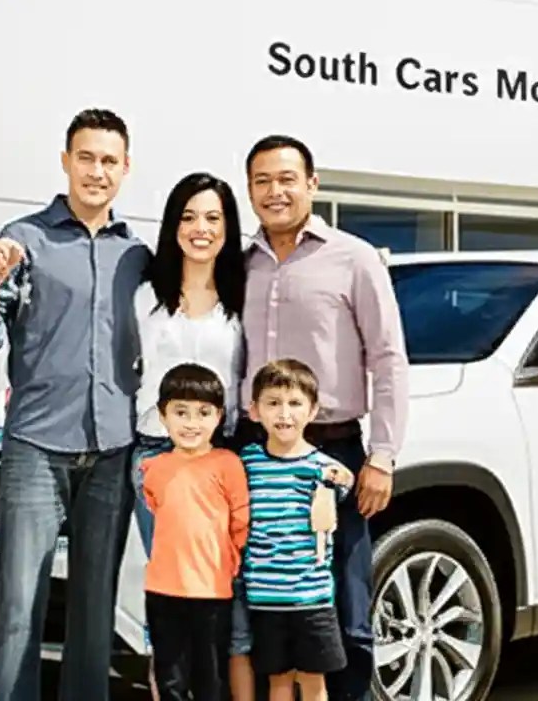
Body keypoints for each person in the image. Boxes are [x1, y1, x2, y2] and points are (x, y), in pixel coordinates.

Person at [0, 108, 150, 701]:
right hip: (36, 447)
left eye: (109, 160)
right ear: (65, 162)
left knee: (94, 611)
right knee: (18, 606)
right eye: (85, 157)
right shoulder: (23, 238)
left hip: (113, 450)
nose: (97, 171)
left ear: (126, 168)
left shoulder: (137, 254)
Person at [239, 134, 410, 701]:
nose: (275, 191)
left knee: (344, 604)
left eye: (287, 178)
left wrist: (382, 456)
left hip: (333, 452)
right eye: (262, 181)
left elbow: (388, 358)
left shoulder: (354, 258)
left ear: (312, 183)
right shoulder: (239, 265)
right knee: (261, 607)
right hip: (253, 452)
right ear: (249, 189)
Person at [130, 171, 252, 699]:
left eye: (213, 218)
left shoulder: (243, 298)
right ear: (172, 225)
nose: (200, 228)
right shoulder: (144, 297)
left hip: (221, 460)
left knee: (228, 600)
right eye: (188, 216)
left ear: (228, 228)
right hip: (156, 457)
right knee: (171, 605)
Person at [239, 359, 357, 701]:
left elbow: (346, 485)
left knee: (312, 680)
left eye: (295, 404)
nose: (284, 414)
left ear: (312, 411)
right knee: (278, 681)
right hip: (264, 596)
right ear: (255, 411)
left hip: (311, 597)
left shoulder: (323, 466)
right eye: (273, 403)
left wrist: (342, 479)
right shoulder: (249, 462)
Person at [141, 363, 250, 701]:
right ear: (163, 416)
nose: (191, 423)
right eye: (181, 412)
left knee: (210, 679)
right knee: (170, 677)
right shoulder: (153, 469)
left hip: (213, 592)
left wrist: (230, 562)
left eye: (203, 413)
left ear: (219, 416)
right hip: (162, 591)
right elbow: (157, 514)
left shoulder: (227, 464)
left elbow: (240, 520)